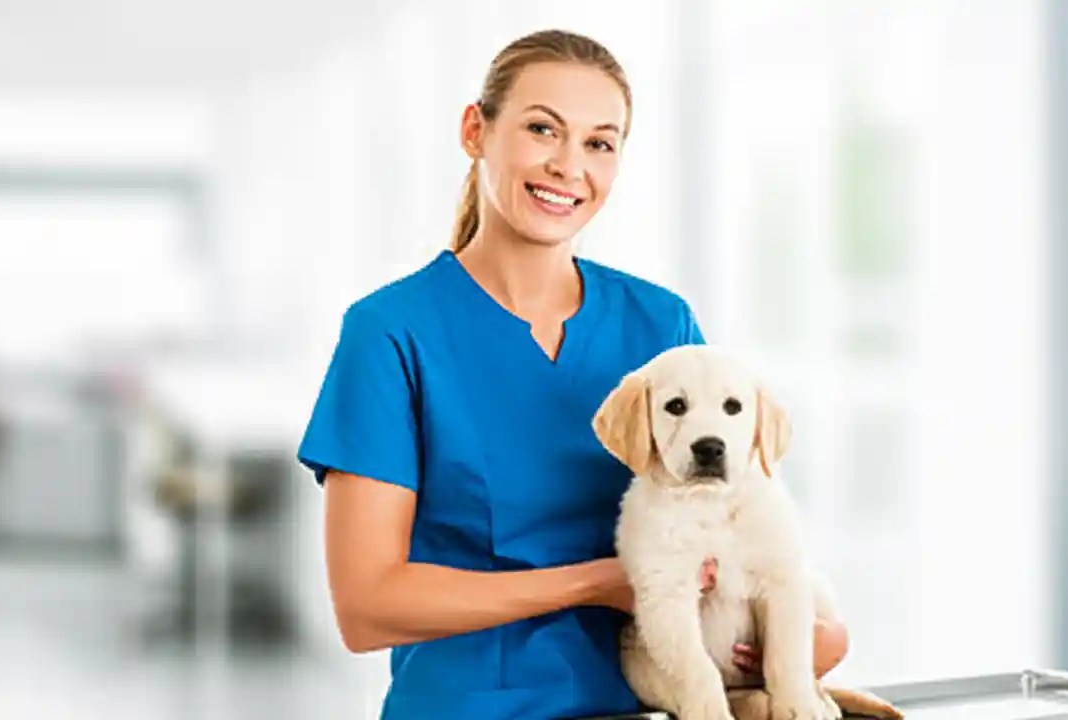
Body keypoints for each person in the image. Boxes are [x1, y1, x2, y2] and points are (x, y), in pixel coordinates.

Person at [297, 28, 847, 720]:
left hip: (653, 703)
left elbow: (743, 532)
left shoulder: (661, 326)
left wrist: (803, 637)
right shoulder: (391, 332)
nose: (568, 165)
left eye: (599, 143)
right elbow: (368, 607)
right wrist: (600, 584)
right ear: (476, 130)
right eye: (541, 129)